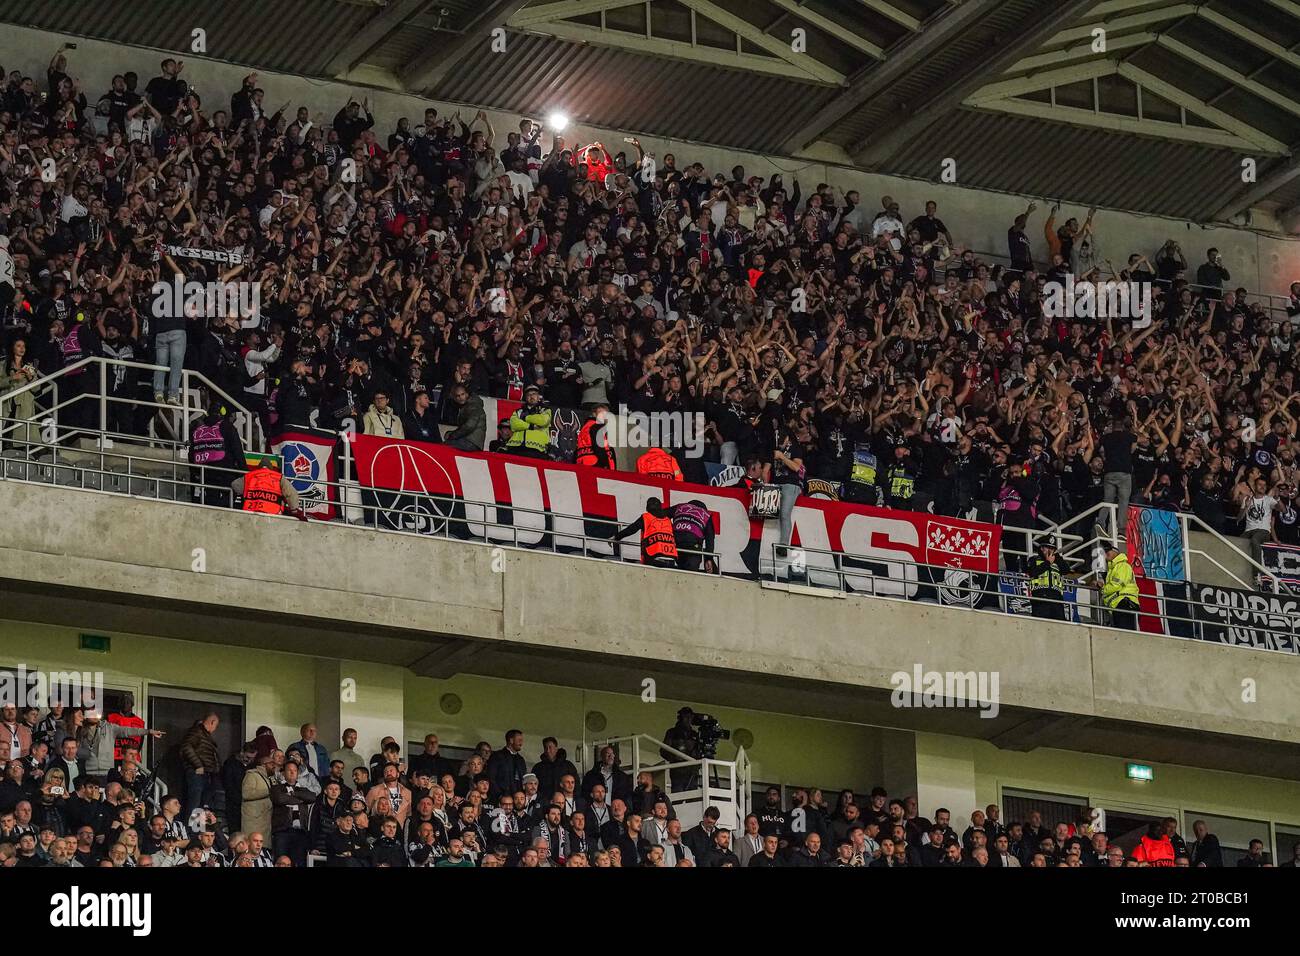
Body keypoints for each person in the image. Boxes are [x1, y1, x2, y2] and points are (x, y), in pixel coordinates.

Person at [613, 496, 679, 568]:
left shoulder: (646, 517)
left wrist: (616, 536)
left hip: (654, 557)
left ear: (647, 508)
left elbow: (631, 529)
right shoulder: (668, 520)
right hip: (672, 559)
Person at [178, 713, 221, 818]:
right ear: (212, 722)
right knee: (195, 804)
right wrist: (198, 765)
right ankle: (191, 830)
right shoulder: (196, 731)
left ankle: (197, 829)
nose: (215, 729)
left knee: (201, 806)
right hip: (197, 773)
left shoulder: (203, 734)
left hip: (207, 774)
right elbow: (186, 747)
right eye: (216, 725)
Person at [1026, 540, 1071, 621]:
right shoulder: (1033, 560)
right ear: (1042, 548)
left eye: (1052, 548)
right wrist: (1047, 562)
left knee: (1060, 626)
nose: (1050, 550)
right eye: (1048, 548)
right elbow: (1032, 572)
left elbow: (1066, 570)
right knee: (1040, 625)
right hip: (1040, 598)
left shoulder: (1058, 561)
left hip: (1057, 600)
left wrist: (1057, 556)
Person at [504, 385, 552, 459]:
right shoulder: (519, 411)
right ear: (525, 397)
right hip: (515, 447)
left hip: (536, 449)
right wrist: (531, 426)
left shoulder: (545, 410)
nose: (531, 396)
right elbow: (514, 425)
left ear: (538, 397)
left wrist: (525, 417)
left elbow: (542, 421)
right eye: (529, 394)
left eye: (534, 394)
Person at [1101, 543, 1140, 630]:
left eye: (1107, 552)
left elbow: (1116, 585)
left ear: (1114, 551)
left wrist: (1103, 589)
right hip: (1119, 605)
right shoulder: (1114, 568)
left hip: (1125, 604)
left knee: (1126, 635)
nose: (1106, 556)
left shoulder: (1122, 566)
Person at [670, 499, 716, 573]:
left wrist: (670, 528)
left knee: (679, 571)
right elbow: (710, 538)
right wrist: (708, 559)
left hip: (676, 544)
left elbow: (661, 514)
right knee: (690, 575)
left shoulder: (680, 507)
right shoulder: (706, 514)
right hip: (693, 547)